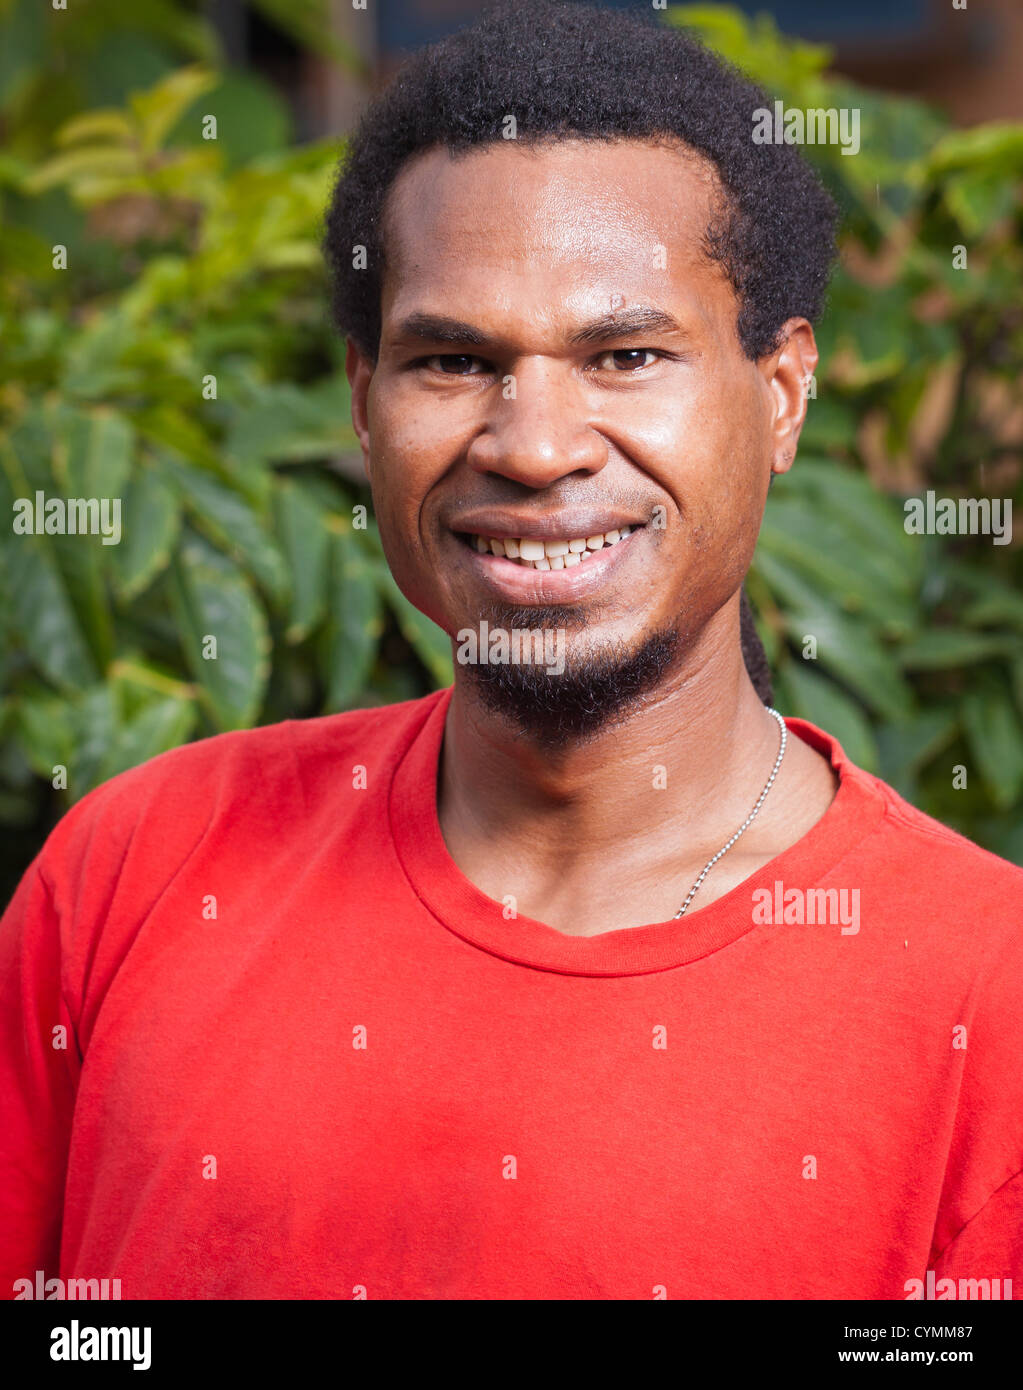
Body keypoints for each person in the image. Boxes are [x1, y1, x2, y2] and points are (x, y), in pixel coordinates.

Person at [2, 0, 1021, 1301]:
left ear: (780, 396)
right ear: (365, 402)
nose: (535, 446)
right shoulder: (132, 872)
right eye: (453, 360)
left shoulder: (987, 997)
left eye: (627, 355)